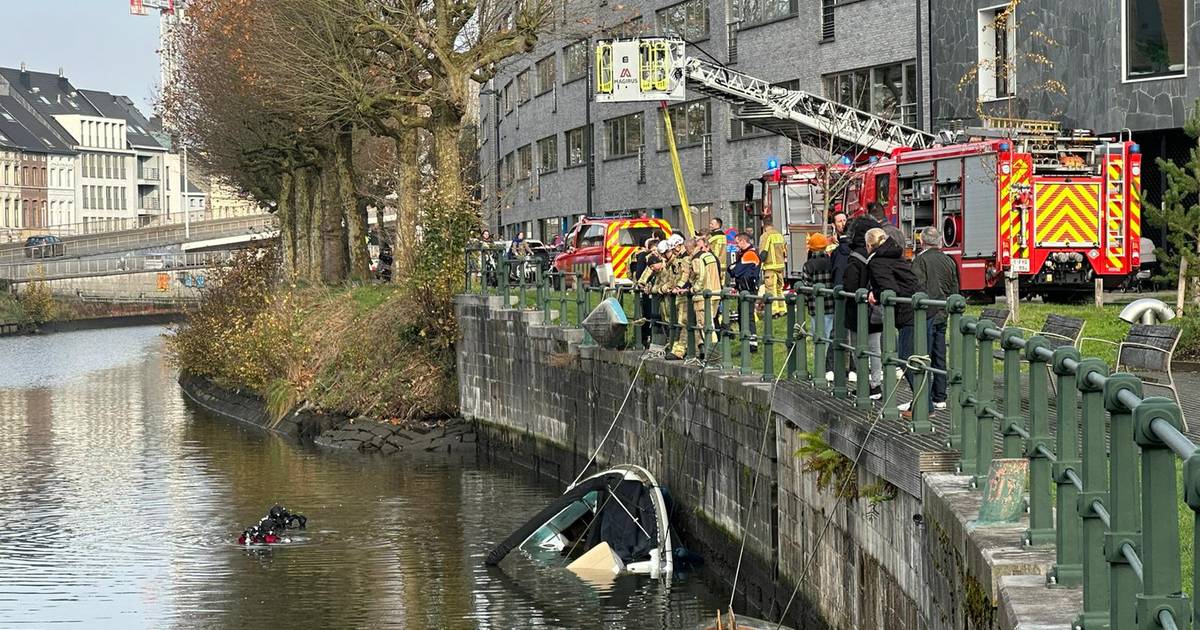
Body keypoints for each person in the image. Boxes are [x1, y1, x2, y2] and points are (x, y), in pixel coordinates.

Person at [864, 227, 922, 417]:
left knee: (906, 357)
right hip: (917, 308)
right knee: (915, 357)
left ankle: (923, 405)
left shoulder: (877, 262)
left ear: (869, 245)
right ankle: (922, 403)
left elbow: (890, 288)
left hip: (907, 313)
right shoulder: (895, 254)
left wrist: (875, 294)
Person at [911, 226, 958, 411]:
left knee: (924, 353)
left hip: (927, 312)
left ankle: (925, 395)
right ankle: (940, 395)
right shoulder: (949, 261)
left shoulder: (920, 261)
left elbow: (917, 286)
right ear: (939, 241)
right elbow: (954, 288)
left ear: (922, 241)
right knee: (940, 354)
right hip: (943, 311)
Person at [843, 223, 882, 398]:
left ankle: (863, 385)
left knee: (857, 348)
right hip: (875, 310)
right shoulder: (878, 256)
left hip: (857, 312)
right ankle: (876, 383)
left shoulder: (853, 260)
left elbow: (850, 286)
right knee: (875, 348)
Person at [690, 237, 722, 356]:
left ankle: (714, 354)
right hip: (716, 292)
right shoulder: (711, 256)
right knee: (711, 322)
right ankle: (714, 352)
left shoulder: (697, 258)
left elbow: (700, 276)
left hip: (704, 295)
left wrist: (694, 289)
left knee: (705, 325)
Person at [800, 232, 834, 344]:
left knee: (818, 338)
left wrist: (805, 302)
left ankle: (820, 360)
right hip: (830, 305)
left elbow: (806, 288)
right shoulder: (831, 262)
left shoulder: (808, 265)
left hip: (814, 307)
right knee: (829, 337)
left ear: (811, 248)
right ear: (825, 246)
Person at [729, 232, 760, 352]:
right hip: (743, 289)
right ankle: (746, 342)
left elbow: (735, 271)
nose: (736, 246)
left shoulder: (750, 254)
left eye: (737, 243)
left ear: (743, 241)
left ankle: (751, 344)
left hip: (749, 290)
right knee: (743, 316)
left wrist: (733, 267)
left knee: (747, 316)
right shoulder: (743, 254)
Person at [631, 237, 661, 348]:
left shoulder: (661, 261)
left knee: (660, 318)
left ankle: (654, 340)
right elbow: (642, 276)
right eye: (652, 250)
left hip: (658, 293)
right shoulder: (649, 260)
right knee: (650, 316)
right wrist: (642, 284)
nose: (654, 253)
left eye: (655, 250)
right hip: (650, 293)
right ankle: (648, 340)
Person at [667, 236, 693, 359]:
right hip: (679, 294)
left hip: (684, 294)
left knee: (683, 322)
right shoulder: (678, 259)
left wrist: (679, 287)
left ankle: (679, 351)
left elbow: (685, 275)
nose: (673, 252)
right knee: (681, 322)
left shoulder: (685, 259)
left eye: (674, 249)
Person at [758, 222, 787, 316]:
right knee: (779, 289)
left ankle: (773, 311)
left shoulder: (766, 235)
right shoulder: (780, 236)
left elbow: (763, 252)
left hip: (770, 267)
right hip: (780, 266)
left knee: (770, 290)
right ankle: (783, 309)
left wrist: (759, 263)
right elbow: (784, 252)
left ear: (764, 228)